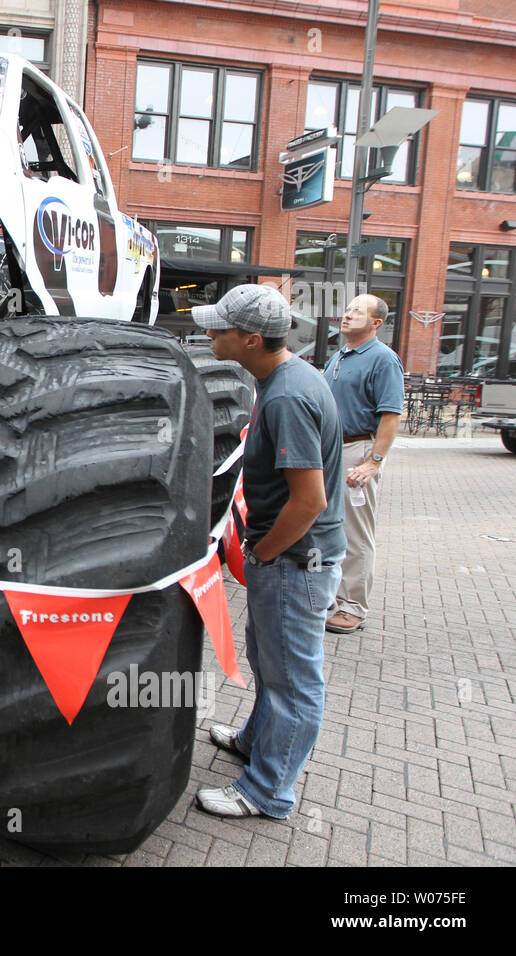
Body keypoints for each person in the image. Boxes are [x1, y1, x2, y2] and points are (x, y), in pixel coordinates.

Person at [190, 284, 346, 820]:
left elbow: (308, 501)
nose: (209, 333)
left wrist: (262, 555)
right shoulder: (288, 377)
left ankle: (268, 791)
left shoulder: (287, 396)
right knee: (270, 663)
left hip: (295, 562)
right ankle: (256, 742)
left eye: (220, 328)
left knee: (294, 684)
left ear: (251, 339)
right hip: (291, 559)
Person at [322, 294, 404, 634]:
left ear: (376, 323)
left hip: (358, 450)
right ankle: (332, 597)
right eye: (348, 309)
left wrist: (373, 462)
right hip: (332, 451)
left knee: (355, 532)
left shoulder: (383, 360)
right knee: (329, 527)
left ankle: (353, 607)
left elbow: (391, 415)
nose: (348, 314)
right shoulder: (339, 356)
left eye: (358, 311)